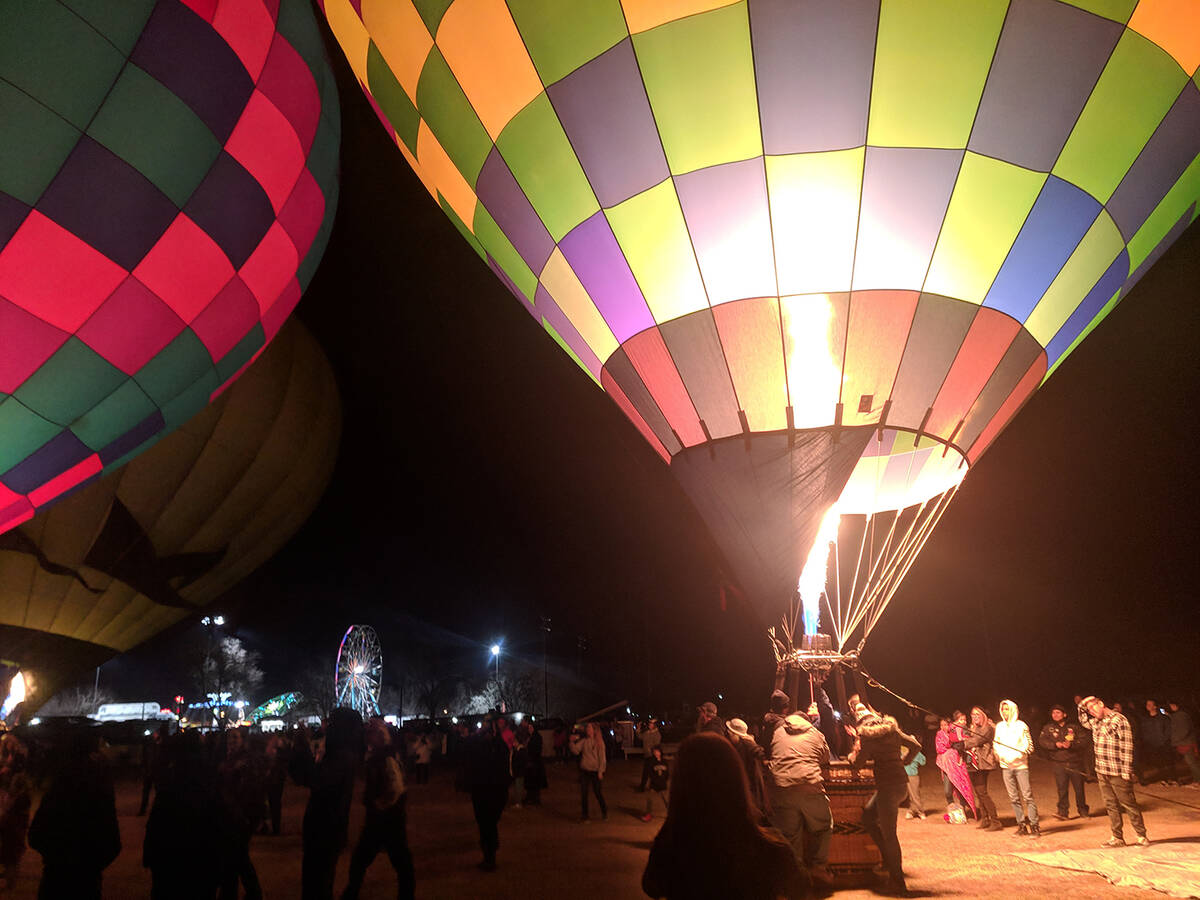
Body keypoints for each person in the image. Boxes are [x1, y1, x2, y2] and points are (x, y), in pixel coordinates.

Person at [642, 732, 807, 899]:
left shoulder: (672, 846)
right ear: (736, 777)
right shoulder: (766, 846)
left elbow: (651, 886)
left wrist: (673, 822)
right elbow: (800, 885)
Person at [28, 732, 121, 900]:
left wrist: (54, 856)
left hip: (55, 878)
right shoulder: (100, 790)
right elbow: (112, 842)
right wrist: (93, 865)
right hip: (87, 880)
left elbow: (35, 835)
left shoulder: (59, 786)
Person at [848, 704, 923, 897]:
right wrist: (904, 761)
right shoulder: (892, 731)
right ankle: (888, 861)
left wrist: (852, 754)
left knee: (890, 835)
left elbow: (858, 763)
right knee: (868, 818)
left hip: (888, 788)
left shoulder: (868, 738)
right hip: (900, 785)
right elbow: (916, 745)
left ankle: (898, 883)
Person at [291, 709, 365, 898]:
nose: (326, 727)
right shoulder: (341, 754)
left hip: (325, 830)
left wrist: (301, 744)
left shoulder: (342, 757)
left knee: (317, 885)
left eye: (331, 723)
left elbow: (314, 778)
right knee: (317, 883)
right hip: (325, 829)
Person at [143, 732, 224, 900]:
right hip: (202, 861)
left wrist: (150, 855)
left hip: (170, 861)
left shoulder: (171, 777)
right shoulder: (210, 777)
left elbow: (156, 823)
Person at [342, 717, 414, 900]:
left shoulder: (386, 757)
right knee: (366, 860)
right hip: (383, 818)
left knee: (399, 862)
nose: (367, 737)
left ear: (380, 737)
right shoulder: (378, 756)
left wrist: (379, 805)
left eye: (371, 734)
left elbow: (397, 787)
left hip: (386, 819)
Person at [766, 710, 834, 890]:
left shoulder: (778, 732)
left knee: (790, 835)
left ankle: (796, 875)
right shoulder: (815, 733)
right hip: (809, 785)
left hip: (781, 788)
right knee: (823, 826)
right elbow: (825, 758)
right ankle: (819, 868)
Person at [1079, 695, 1148, 847]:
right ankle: (1117, 837)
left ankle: (1141, 835)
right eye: (1089, 710)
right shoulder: (1096, 722)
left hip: (1117, 771)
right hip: (1102, 770)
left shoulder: (1119, 719)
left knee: (1128, 804)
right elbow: (1082, 719)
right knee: (1110, 804)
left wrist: (1126, 771)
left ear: (1101, 704)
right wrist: (1083, 704)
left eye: (1093, 707)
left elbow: (1127, 746)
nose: (1091, 712)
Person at [459, 715, 511, 871]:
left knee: (488, 824)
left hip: (491, 791)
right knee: (486, 824)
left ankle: (490, 856)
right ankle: (488, 854)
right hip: (484, 791)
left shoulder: (496, 746)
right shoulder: (482, 745)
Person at [994, 699, 1039, 837]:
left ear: (1013, 710)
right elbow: (996, 744)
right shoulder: (1000, 726)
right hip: (1006, 767)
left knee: (1027, 796)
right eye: (1003, 709)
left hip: (1021, 766)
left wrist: (1016, 756)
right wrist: (1001, 757)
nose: (1005, 712)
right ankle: (1021, 825)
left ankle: (1034, 825)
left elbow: (1029, 746)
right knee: (1013, 798)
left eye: (1007, 709)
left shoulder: (1021, 726)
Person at [1038, 705, 1089, 820]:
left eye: (1058, 712)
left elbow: (1084, 740)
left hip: (1074, 762)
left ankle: (1083, 811)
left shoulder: (1074, 727)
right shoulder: (1048, 728)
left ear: (1064, 714)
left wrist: (1072, 744)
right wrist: (1054, 745)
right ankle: (1063, 812)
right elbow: (1042, 741)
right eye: (1053, 713)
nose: (1055, 715)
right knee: (1062, 788)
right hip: (1058, 762)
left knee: (1079, 788)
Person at [0, 734, 32, 891]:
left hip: (14, 820)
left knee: (12, 850)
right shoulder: (5, 756)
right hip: (8, 813)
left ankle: (10, 879)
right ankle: (8, 874)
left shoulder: (20, 786)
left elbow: (21, 805)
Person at [963, 706, 1002, 830]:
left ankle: (995, 821)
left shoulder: (988, 728)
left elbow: (977, 741)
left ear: (983, 715)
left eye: (977, 714)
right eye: (973, 715)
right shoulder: (975, 728)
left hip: (984, 763)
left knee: (982, 792)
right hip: (974, 763)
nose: (975, 717)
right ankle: (985, 819)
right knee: (979, 792)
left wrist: (962, 744)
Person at [934, 717, 975, 821]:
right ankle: (952, 810)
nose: (944, 727)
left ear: (950, 725)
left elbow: (961, 745)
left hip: (957, 765)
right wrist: (951, 748)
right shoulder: (939, 735)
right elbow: (939, 748)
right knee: (947, 791)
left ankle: (963, 811)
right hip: (947, 766)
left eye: (946, 725)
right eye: (942, 725)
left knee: (960, 787)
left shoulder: (956, 732)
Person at [727, 718, 768, 816]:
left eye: (729, 733)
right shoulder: (740, 744)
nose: (728, 735)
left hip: (750, 783)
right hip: (746, 782)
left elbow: (760, 753)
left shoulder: (747, 744)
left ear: (735, 734)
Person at [571, 722, 608, 821]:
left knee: (597, 792)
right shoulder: (584, 741)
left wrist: (601, 771)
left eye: (589, 728)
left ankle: (604, 811)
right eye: (587, 728)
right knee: (584, 793)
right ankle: (585, 815)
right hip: (585, 770)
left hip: (595, 771)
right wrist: (571, 742)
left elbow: (602, 758)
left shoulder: (599, 742)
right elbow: (576, 751)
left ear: (594, 730)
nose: (587, 730)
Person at [1167, 701, 1200, 786]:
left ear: (1174, 705)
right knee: (1191, 762)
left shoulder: (1181, 716)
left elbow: (1184, 730)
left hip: (1186, 743)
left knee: (1192, 762)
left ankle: (1198, 780)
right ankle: (1196, 779)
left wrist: (1174, 740)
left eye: (1171, 705)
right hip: (1184, 742)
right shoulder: (1183, 714)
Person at [1139, 699, 1172, 783]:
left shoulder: (1163, 718)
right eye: (1147, 704)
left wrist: (1164, 739)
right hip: (1152, 744)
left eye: (1150, 704)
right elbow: (1144, 730)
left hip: (1163, 743)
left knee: (1167, 761)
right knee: (1158, 762)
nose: (1148, 706)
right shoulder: (1146, 719)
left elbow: (1168, 730)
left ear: (1155, 706)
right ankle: (1162, 778)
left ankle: (1170, 778)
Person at [519, 722, 547, 805]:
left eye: (531, 728)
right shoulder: (530, 737)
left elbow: (536, 750)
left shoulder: (537, 737)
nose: (529, 729)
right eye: (529, 728)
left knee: (535, 781)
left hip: (535, 762)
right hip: (530, 761)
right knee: (530, 781)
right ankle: (530, 797)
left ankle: (535, 798)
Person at [641, 746, 670, 822]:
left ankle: (671, 814)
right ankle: (648, 815)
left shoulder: (664, 762)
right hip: (653, 785)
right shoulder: (651, 762)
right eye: (654, 752)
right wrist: (643, 785)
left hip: (662, 785)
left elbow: (667, 773)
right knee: (650, 800)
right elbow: (648, 773)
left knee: (666, 801)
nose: (656, 753)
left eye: (657, 751)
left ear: (660, 752)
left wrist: (664, 780)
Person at [638, 720, 662, 791]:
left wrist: (653, 752)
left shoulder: (657, 734)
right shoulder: (647, 732)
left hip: (652, 755)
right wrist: (638, 729)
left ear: (654, 725)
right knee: (651, 772)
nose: (649, 724)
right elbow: (640, 737)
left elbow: (656, 745)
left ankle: (642, 787)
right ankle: (653, 786)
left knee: (646, 771)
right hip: (647, 755)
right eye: (649, 723)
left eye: (651, 723)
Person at [903, 745, 926, 820]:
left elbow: (923, 761)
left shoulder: (916, 753)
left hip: (912, 776)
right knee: (910, 795)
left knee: (914, 794)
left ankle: (920, 811)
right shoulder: (903, 751)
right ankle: (912, 810)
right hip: (903, 775)